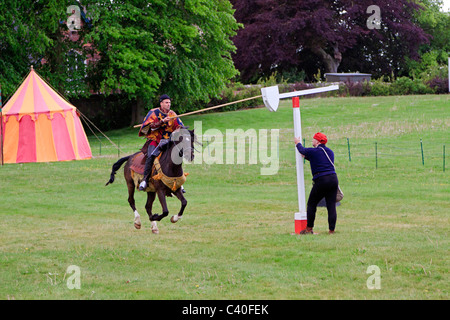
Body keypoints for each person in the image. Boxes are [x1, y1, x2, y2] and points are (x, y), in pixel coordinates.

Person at [294, 132, 338, 234]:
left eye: (314, 139)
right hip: (333, 179)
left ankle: (309, 228)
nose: (312, 140)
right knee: (331, 206)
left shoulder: (314, 151)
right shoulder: (330, 152)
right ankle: (332, 230)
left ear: (317, 141)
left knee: (311, 204)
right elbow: (317, 159)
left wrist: (297, 143)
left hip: (321, 179)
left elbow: (302, 150)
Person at [138, 94, 184, 191]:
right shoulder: (153, 112)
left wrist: (179, 129)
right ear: (161, 103)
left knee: (176, 156)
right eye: (166, 102)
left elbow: (179, 126)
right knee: (150, 156)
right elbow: (150, 127)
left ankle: (179, 181)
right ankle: (145, 180)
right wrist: (162, 121)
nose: (168, 104)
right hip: (155, 140)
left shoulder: (172, 114)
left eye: (169, 103)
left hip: (167, 141)